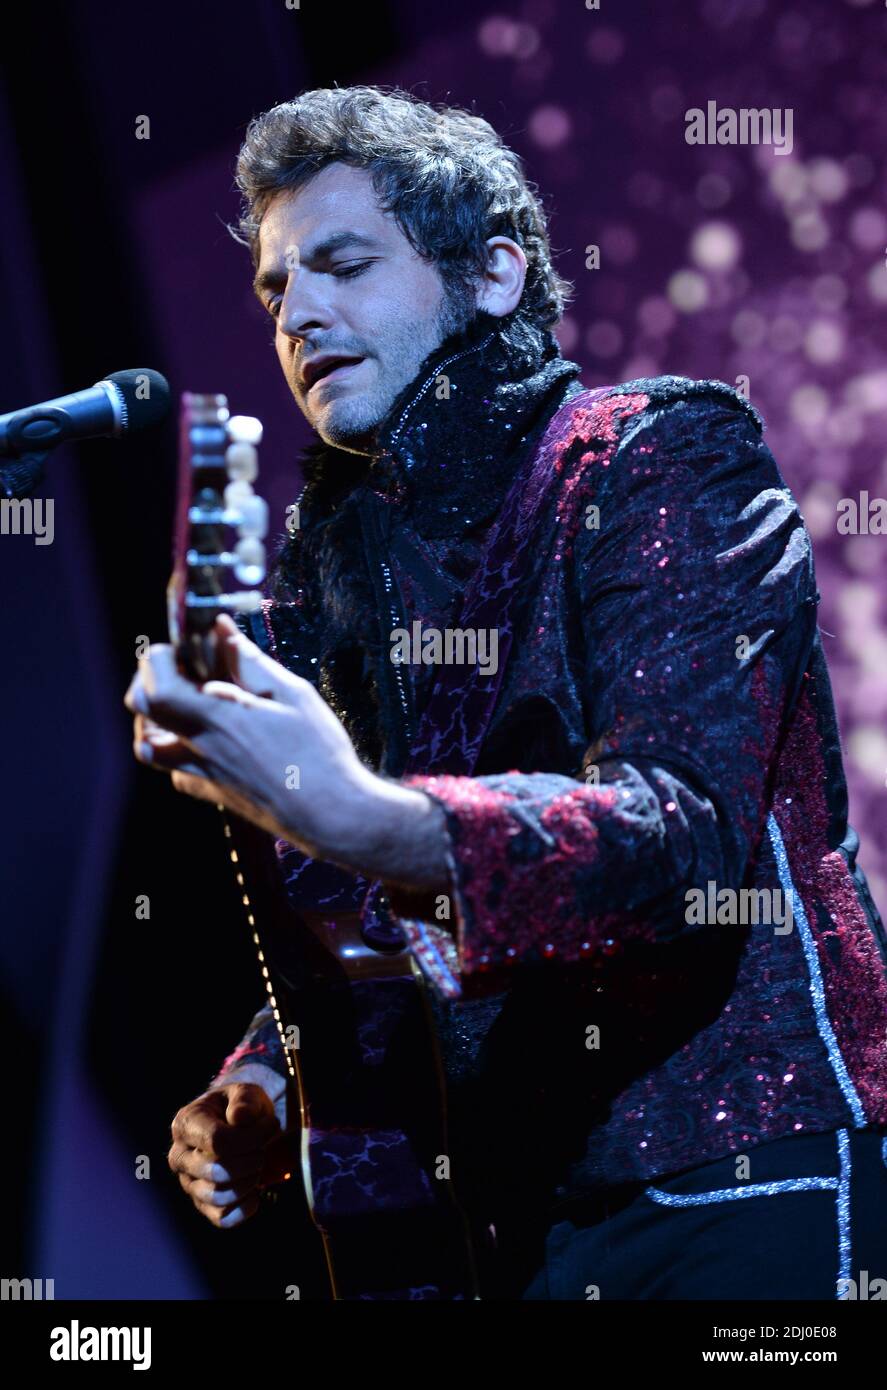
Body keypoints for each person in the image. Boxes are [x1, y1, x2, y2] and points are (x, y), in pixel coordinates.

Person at [126, 86, 887, 1300]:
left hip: (739, 1176)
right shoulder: (334, 572)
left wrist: (359, 813)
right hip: (511, 1225)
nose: (298, 312)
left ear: (488, 276)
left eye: (341, 263)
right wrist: (269, 1076)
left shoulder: (659, 456)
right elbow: (380, 916)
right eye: (276, 289)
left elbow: (680, 835)